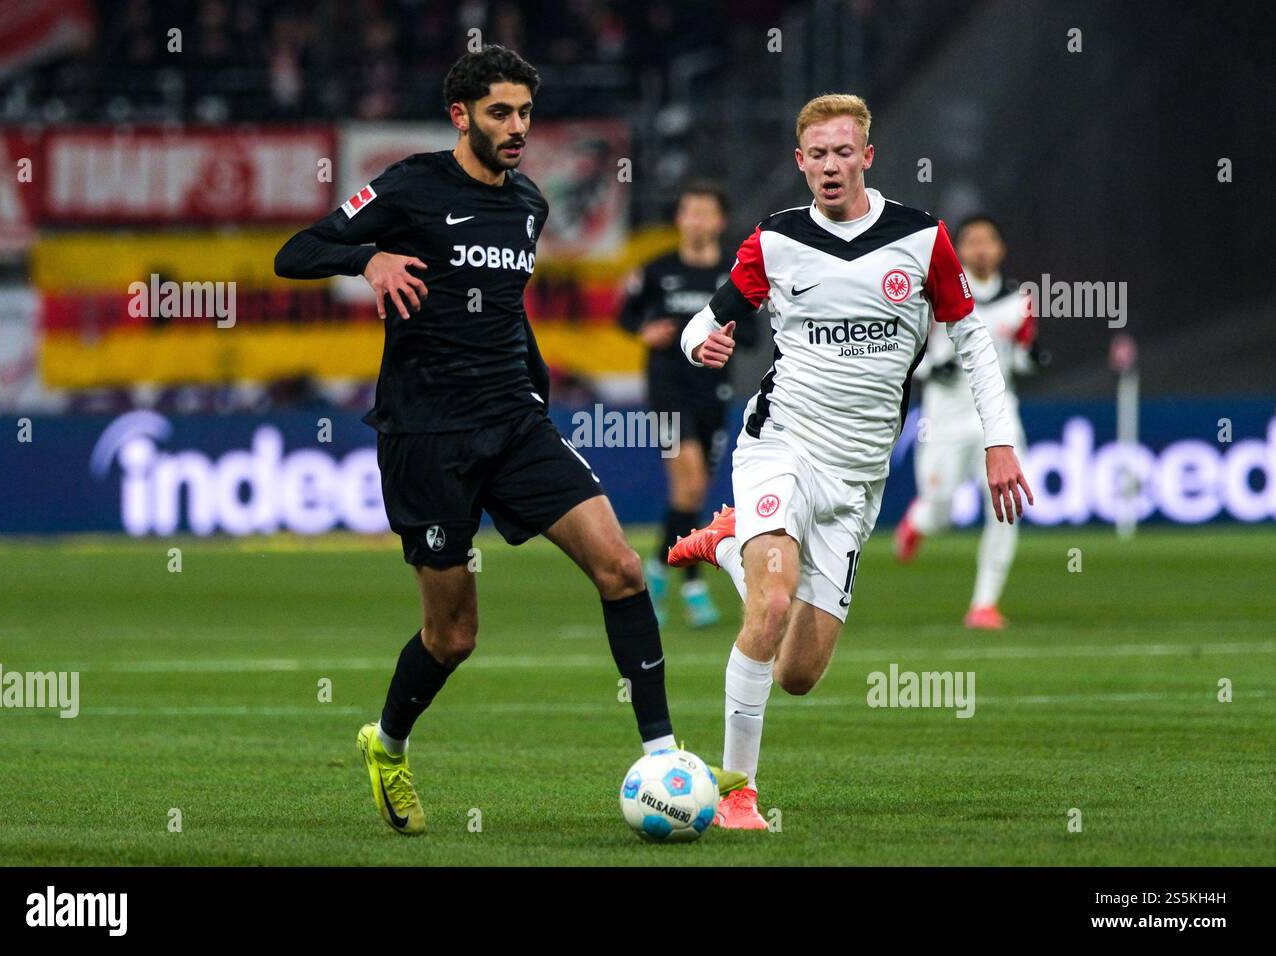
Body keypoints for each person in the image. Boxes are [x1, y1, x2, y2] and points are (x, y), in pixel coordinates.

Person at [275, 45, 743, 836]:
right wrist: (368, 258)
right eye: (501, 112)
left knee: (623, 569)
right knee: (452, 635)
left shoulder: (529, 200)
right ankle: (387, 745)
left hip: (516, 424)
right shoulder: (410, 184)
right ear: (462, 116)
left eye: (526, 112)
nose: (518, 127)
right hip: (427, 435)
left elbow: (505, 304)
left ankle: (666, 754)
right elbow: (296, 252)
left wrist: (535, 386)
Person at [667, 94, 1032, 828]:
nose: (831, 166)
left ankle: (732, 545)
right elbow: (704, 322)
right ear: (800, 163)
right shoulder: (775, 241)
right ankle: (738, 792)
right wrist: (699, 342)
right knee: (770, 606)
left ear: (867, 156)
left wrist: (1000, 441)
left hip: (860, 476)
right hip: (783, 446)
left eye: (844, 152)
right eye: (817, 155)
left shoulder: (922, 239)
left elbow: (972, 341)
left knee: (799, 674)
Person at [617, 181, 757, 628]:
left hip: (713, 393)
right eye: (689, 211)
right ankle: (689, 586)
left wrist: (730, 339)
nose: (696, 220)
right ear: (679, 219)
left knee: (691, 493)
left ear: (719, 221)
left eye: (705, 212)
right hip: (669, 390)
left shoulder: (733, 275)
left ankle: (658, 571)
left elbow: (752, 334)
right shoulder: (657, 270)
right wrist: (645, 332)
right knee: (690, 486)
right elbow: (626, 314)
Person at [895, 216, 1044, 628]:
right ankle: (918, 522)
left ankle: (984, 604)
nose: (980, 248)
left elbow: (1021, 358)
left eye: (987, 240)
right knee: (939, 511)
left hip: (997, 418)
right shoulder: (936, 296)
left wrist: (1034, 359)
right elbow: (909, 353)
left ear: (1000, 249)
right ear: (958, 250)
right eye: (971, 241)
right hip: (945, 419)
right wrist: (930, 370)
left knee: (1006, 507)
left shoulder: (1020, 302)